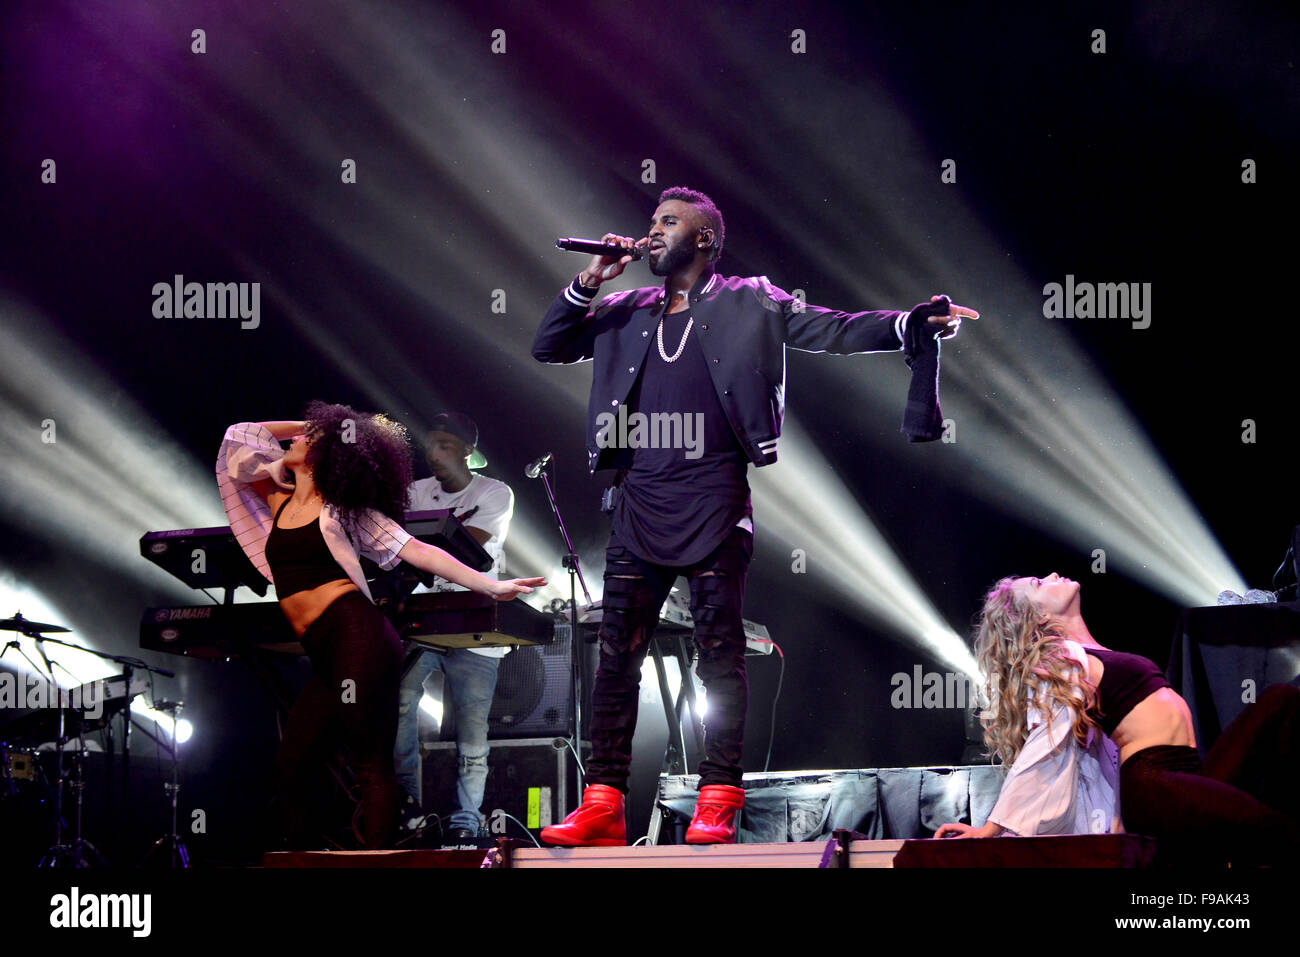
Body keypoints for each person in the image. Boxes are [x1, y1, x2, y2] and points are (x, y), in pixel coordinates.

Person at [532, 186, 975, 845]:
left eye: (668, 222)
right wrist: (591, 280)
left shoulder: (751, 302)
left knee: (719, 650)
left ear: (704, 240)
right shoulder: (625, 310)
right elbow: (549, 345)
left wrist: (909, 325)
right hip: (638, 503)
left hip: (712, 497)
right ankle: (603, 800)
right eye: (651, 221)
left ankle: (718, 795)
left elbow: (835, 328)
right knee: (616, 658)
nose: (651, 231)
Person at [216, 402, 543, 849]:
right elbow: (241, 433)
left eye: (306, 439)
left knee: (371, 763)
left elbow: (421, 551)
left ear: (325, 455)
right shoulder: (276, 500)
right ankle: (307, 858)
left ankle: (382, 860)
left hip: (359, 637)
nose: (294, 441)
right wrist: (315, 425)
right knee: (293, 761)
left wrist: (491, 586)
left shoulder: (345, 512)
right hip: (325, 650)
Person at [937, 573, 1300, 865]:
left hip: (1188, 772)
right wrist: (992, 828)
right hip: (1156, 783)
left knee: (1279, 702)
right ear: (1038, 617)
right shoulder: (1061, 661)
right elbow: (1043, 743)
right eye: (1038, 584)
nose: (1051, 575)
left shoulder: (1093, 653)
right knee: (1276, 830)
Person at [394, 412, 516, 848]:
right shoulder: (413, 492)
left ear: (467, 450)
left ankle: (466, 818)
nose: (434, 454)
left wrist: (413, 547)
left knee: (471, 725)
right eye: (430, 445)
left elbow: (466, 547)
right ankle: (405, 805)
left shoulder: (495, 492)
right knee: (400, 700)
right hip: (423, 615)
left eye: (445, 445)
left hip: (473, 618)